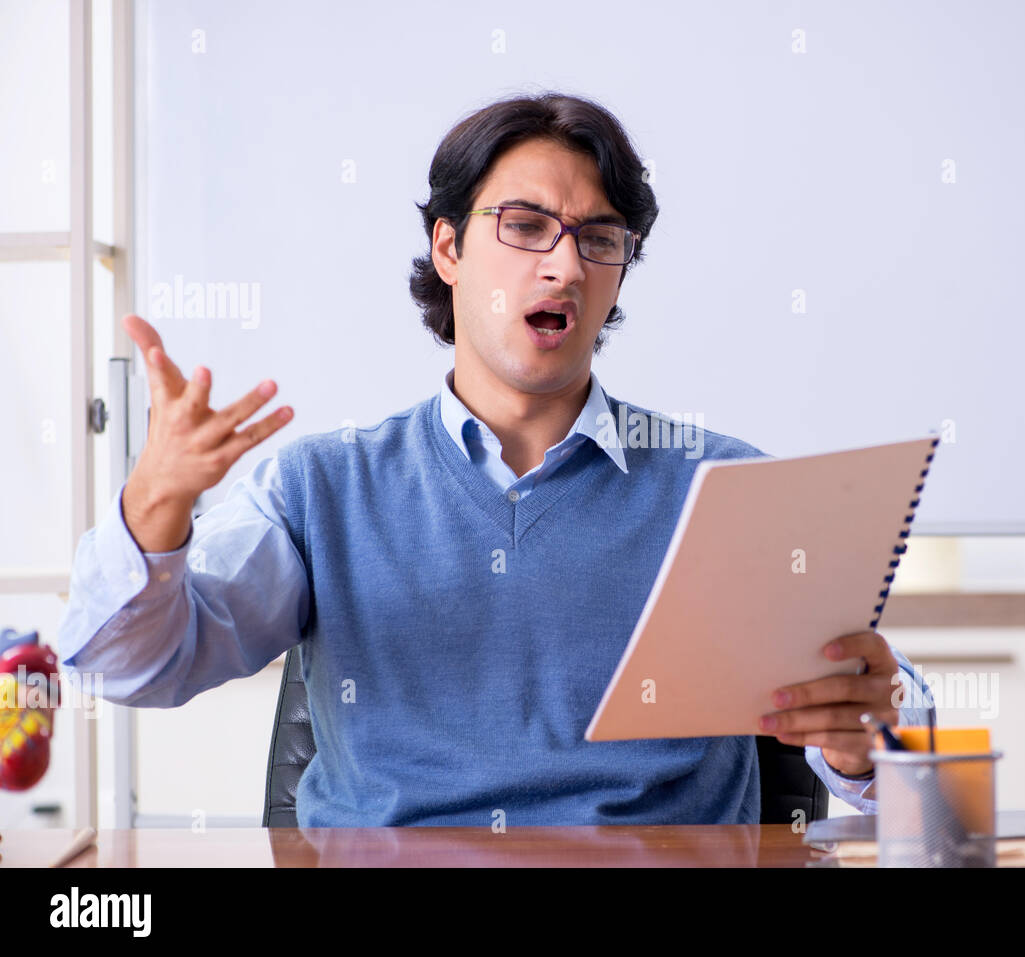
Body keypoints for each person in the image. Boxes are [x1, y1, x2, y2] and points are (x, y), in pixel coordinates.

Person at [58, 91, 928, 826]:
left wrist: (869, 740)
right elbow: (124, 666)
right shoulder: (321, 487)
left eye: (599, 239)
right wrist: (155, 505)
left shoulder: (727, 488)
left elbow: (903, 758)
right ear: (450, 248)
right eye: (525, 226)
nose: (564, 265)